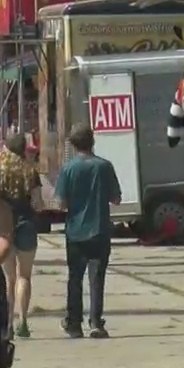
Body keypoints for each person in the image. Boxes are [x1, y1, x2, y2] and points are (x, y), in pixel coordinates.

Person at [55, 124, 121, 340]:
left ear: (73, 145)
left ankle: (74, 323)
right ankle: (95, 321)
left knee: (75, 278)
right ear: (92, 142)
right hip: (100, 230)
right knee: (97, 278)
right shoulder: (104, 166)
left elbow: (61, 204)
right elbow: (116, 199)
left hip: (75, 232)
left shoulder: (68, 169)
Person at [0, 134, 42, 338]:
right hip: (27, 225)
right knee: (24, 276)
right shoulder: (31, 171)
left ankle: (8, 325)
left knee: (9, 278)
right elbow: (38, 203)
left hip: (4, 228)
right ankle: (24, 322)